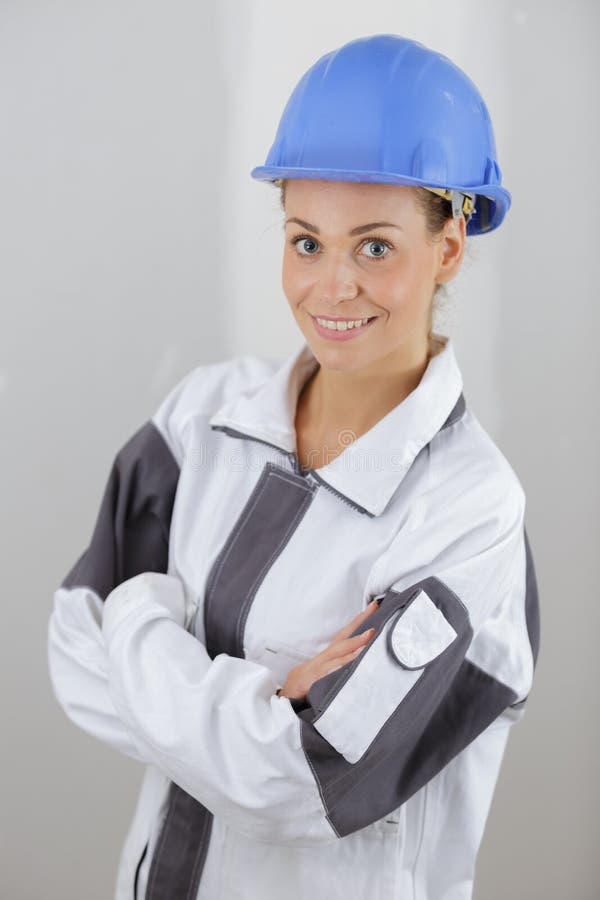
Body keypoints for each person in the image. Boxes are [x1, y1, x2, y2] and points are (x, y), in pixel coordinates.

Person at [47, 33, 541, 900]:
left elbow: (307, 784)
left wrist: (140, 620)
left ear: (450, 247)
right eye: (307, 241)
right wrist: (261, 697)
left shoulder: (472, 509)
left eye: (376, 246)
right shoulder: (203, 416)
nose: (332, 286)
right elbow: (70, 655)